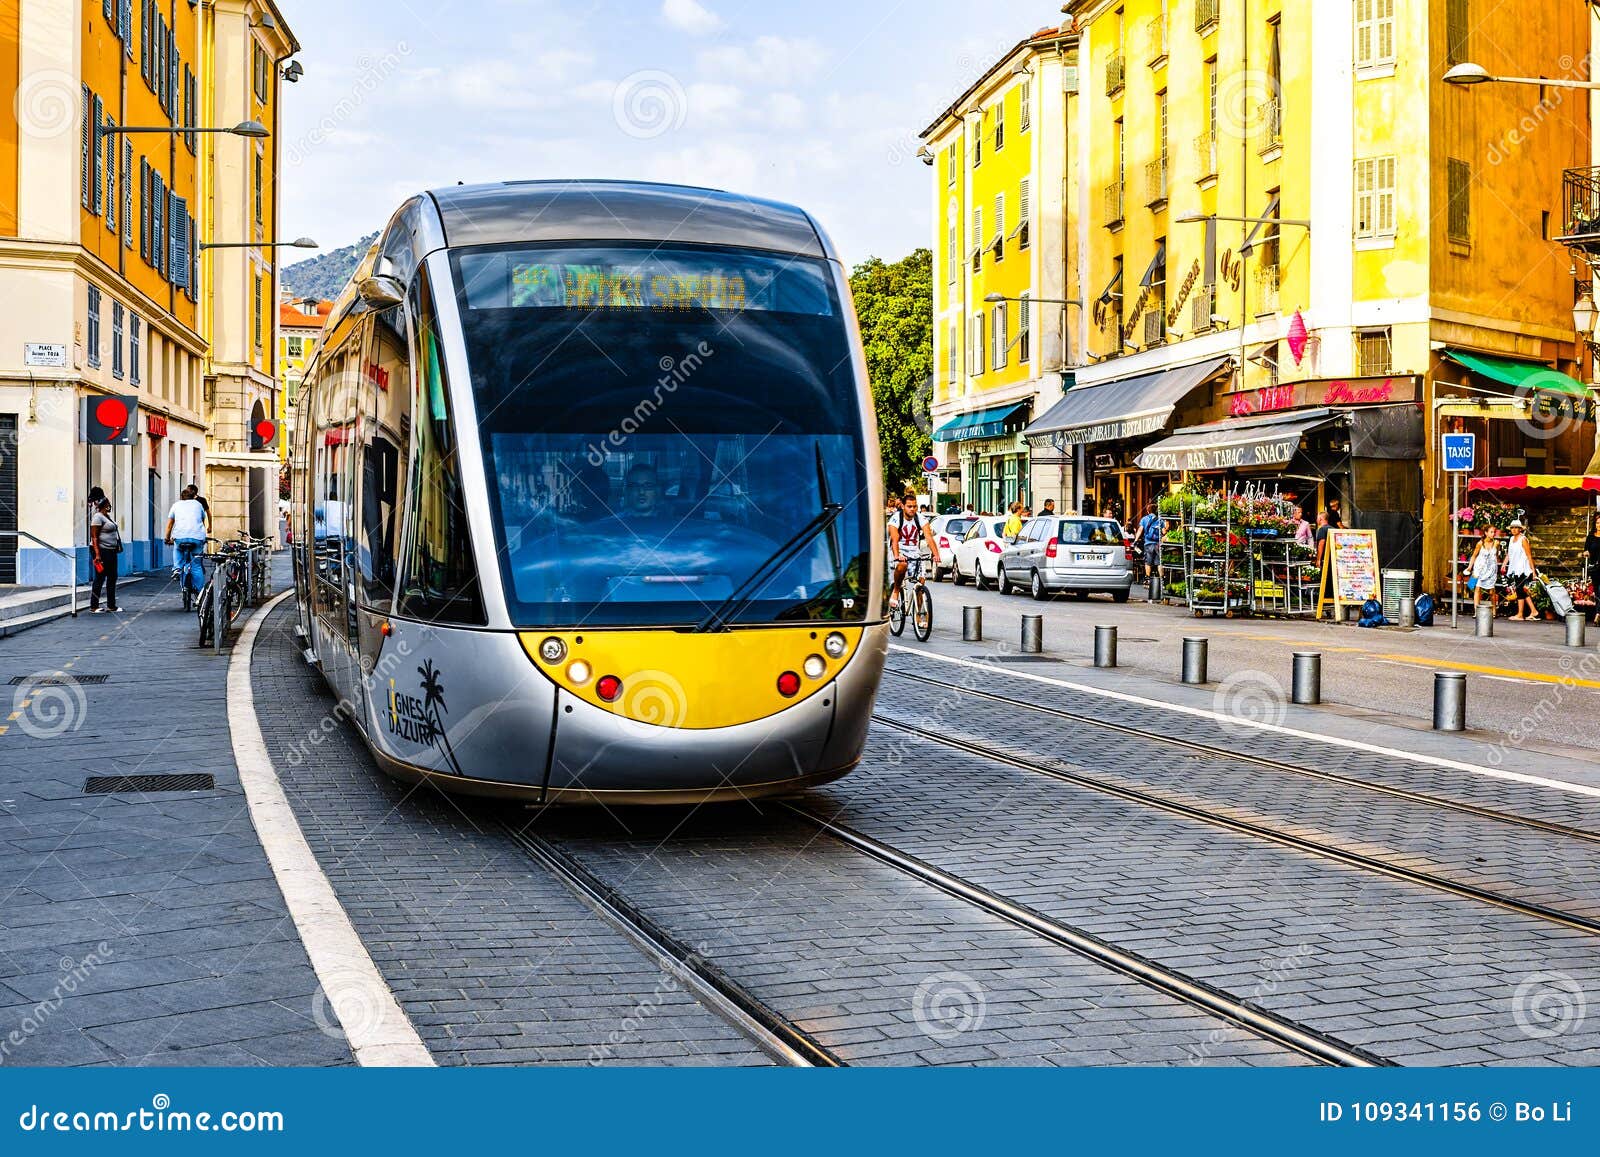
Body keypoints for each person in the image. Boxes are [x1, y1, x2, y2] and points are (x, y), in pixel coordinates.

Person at [888, 491, 940, 610]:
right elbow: (894, 540)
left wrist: (936, 555)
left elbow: (929, 537)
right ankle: (896, 591)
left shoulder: (920, 518)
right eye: (909, 506)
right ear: (903, 506)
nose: (912, 509)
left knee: (920, 583)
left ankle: (919, 615)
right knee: (902, 565)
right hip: (898, 551)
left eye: (914, 506)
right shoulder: (896, 519)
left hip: (914, 552)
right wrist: (897, 555)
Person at [165, 484, 211, 594]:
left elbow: (170, 524)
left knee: (177, 548)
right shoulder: (198, 504)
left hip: (180, 536)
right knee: (196, 566)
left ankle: (177, 568)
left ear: (181, 497)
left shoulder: (176, 505)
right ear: (193, 496)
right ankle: (200, 595)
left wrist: (167, 538)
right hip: (197, 538)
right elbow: (202, 519)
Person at [88, 497, 122, 613]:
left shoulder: (107, 517)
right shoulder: (97, 517)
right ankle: (94, 606)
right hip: (101, 551)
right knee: (100, 577)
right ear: (104, 505)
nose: (110, 506)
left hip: (111, 551)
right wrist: (97, 555)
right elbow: (94, 537)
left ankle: (111, 605)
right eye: (108, 504)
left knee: (112, 577)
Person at [1504, 520, 1539, 621]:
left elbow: (1529, 555)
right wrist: (1504, 564)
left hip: (1523, 568)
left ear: (1520, 529)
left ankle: (1520, 614)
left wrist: (1533, 571)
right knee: (1521, 590)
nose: (1514, 530)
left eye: (1516, 528)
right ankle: (1533, 610)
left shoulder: (1523, 539)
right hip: (1515, 567)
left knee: (1519, 590)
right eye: (1512, 528)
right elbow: (1509, 553)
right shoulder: (1511, 539)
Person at [1467, 526, 1501, 613]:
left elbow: (1496, 555)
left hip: (1491, 569)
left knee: (1491, 591)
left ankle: (1493, 610)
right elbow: (1474, 555)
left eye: (1494, 532)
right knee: (1477, 588)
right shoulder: (1480, 543)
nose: (1493, 534)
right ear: (1486, 533)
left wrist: (1499, 564)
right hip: (1480, 569)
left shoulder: (1496, 543)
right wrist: (1470, 567)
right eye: (1491, 532)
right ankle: (1476, 611)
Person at [1135, 503, 1161, 587]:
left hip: (1148, 543)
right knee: (1159, 562)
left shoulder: (1144, 519)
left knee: (1148, 562)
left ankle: (1148, 579)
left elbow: (1140, 530)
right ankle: (1162, 579)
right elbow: (1164, 531)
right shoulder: (1160, 520)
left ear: (1147, 511)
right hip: (1158, 544)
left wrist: (1136, 540)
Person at [1586, 512, 1600, 626]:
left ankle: (1597, 615)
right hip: (1595, 568)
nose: (1599, 525)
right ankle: (1598, 613)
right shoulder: (1590, 537)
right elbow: (1585, 550)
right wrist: (1585, 553)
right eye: (1597, 523)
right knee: (1596, 592)